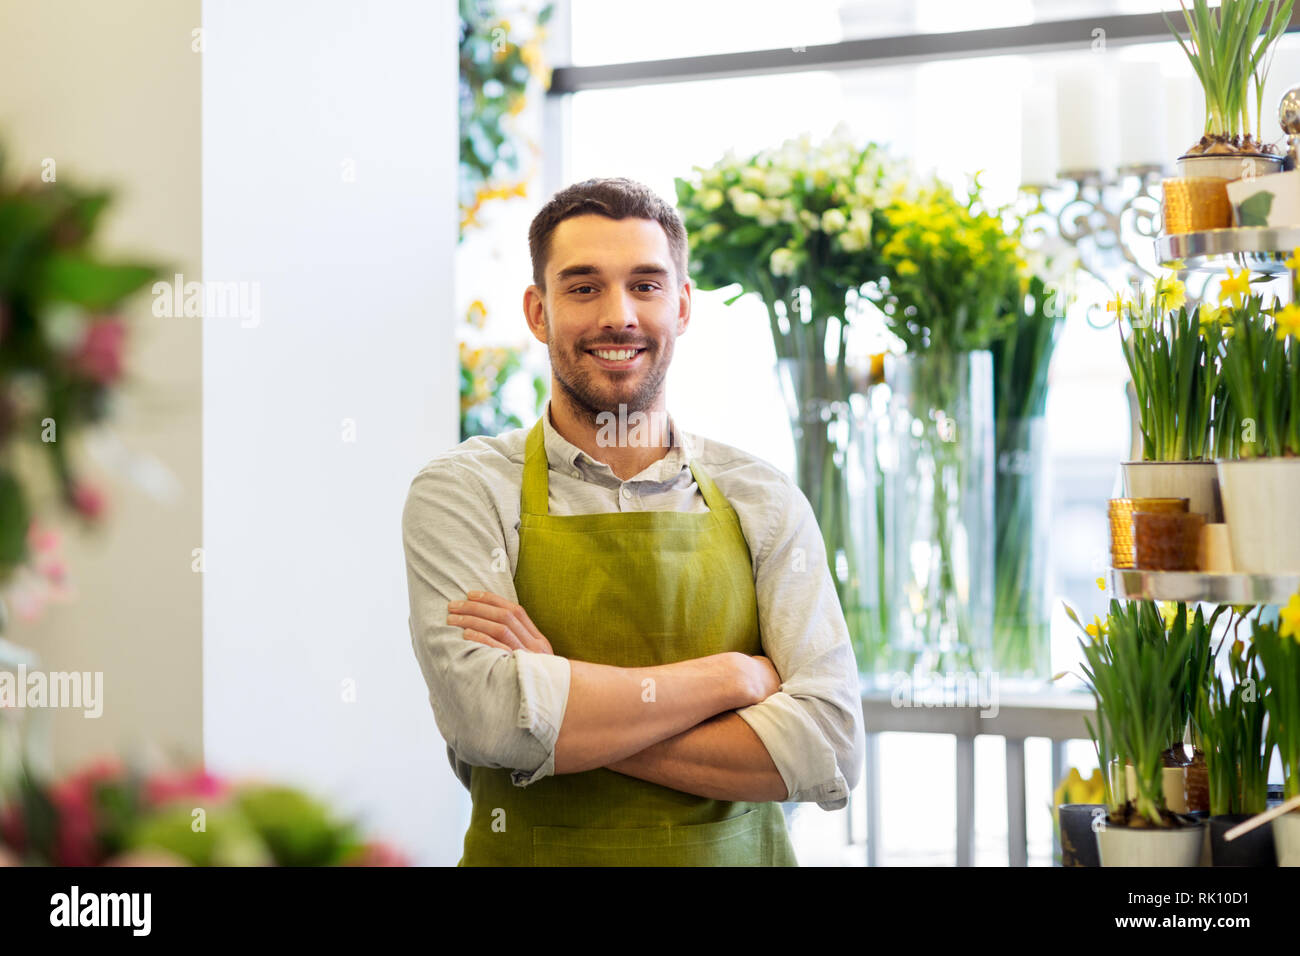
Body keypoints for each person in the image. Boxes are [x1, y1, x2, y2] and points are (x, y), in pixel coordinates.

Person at [402, 177, 865, 866]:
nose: (618, 315)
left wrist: (559, 695)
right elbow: (488, 720)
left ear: (681, 306)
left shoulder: (761, 498)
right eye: (583, 287)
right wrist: (731, 679)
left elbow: (827, 746)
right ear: (538, 311)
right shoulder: (464, 493)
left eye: (645, 285)